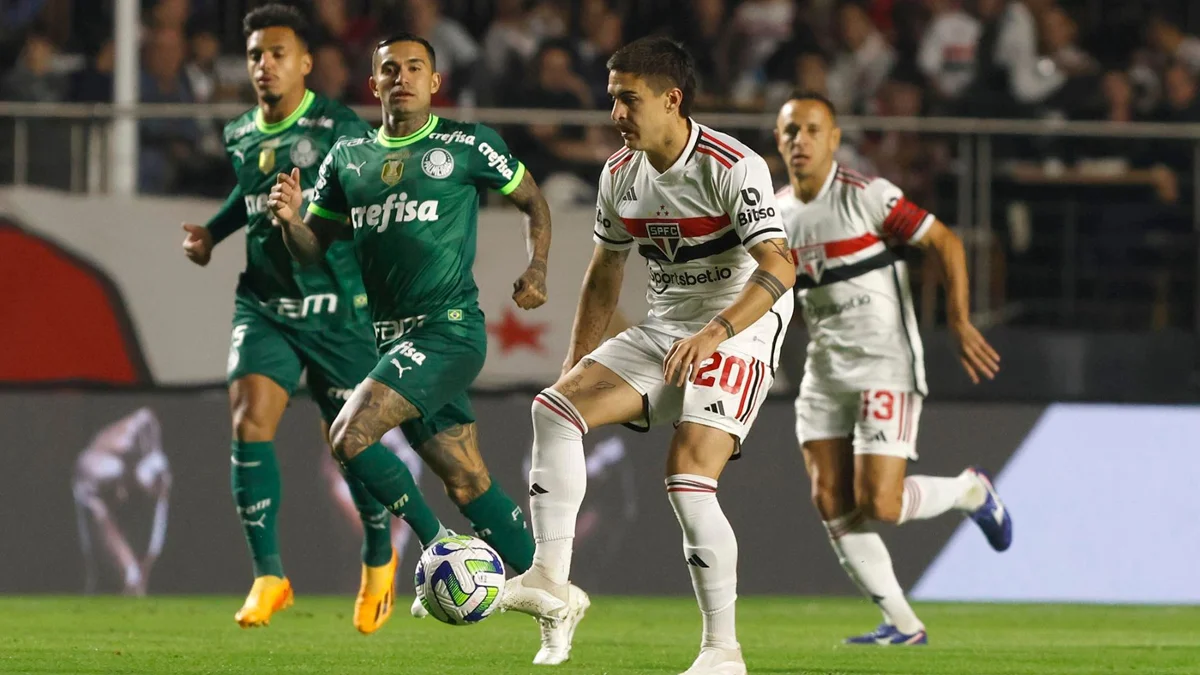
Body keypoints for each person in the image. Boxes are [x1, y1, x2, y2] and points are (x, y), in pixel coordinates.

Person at [500, 36, 796, 674]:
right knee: (554, 410)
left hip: (742, 322)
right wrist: (576, 366)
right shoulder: (618, 175)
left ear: (672, 99)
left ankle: (723, 653)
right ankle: (552, 583)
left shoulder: (732, 165)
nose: (616, 114)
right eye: (612, 100)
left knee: (688, 475)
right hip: (669, 325)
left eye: (628, 100)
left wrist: (716, 332)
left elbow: (780, 264)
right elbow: (605, 274)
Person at [266, 31, 555, 649]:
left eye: (414, 67)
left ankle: (438, 546)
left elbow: (534, 202)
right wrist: (292, 222)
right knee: (467, 480)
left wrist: (537, 268)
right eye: (389, 69)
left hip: (449, 331)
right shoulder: (347, 159)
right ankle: (551, 593)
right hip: (394, 340)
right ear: (373, 85)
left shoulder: (467, 144)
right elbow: (314, 253)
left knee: (348, 434)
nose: (402, 77)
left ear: (434, 81)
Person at [179, 4, 449, 632]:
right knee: (249, 421)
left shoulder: (338, 127)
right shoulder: (240, 131)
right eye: (254, 56)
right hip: (266, 305)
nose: (264, 65)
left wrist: (311, 214)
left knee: (350, 444)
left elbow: (374, 197)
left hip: (336, 310)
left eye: (277, 54)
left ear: (305, 63)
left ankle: (379, 555)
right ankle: (269, 574)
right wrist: (212, 236)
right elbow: (248, 194)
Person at [773, 91, 1012, 645]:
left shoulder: (867, 195)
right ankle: (903, 625)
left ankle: (970, 492)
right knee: (829, 498)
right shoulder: (777, 212)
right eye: (790, 132)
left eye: (812, 130)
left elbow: (945, 241)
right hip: (825, 368)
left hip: (884, 363)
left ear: (835, 139)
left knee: (880, 502)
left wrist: (958, 320)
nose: (800, 141)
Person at [73, 408, 171, 596]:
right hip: (92, 494)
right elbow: (100, 512)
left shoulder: (146, 447)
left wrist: (145, 566)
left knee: (134, 576)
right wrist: (130, 568)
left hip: (112, 488)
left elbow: (152, 541)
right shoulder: (100, 470)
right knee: (124, 576)